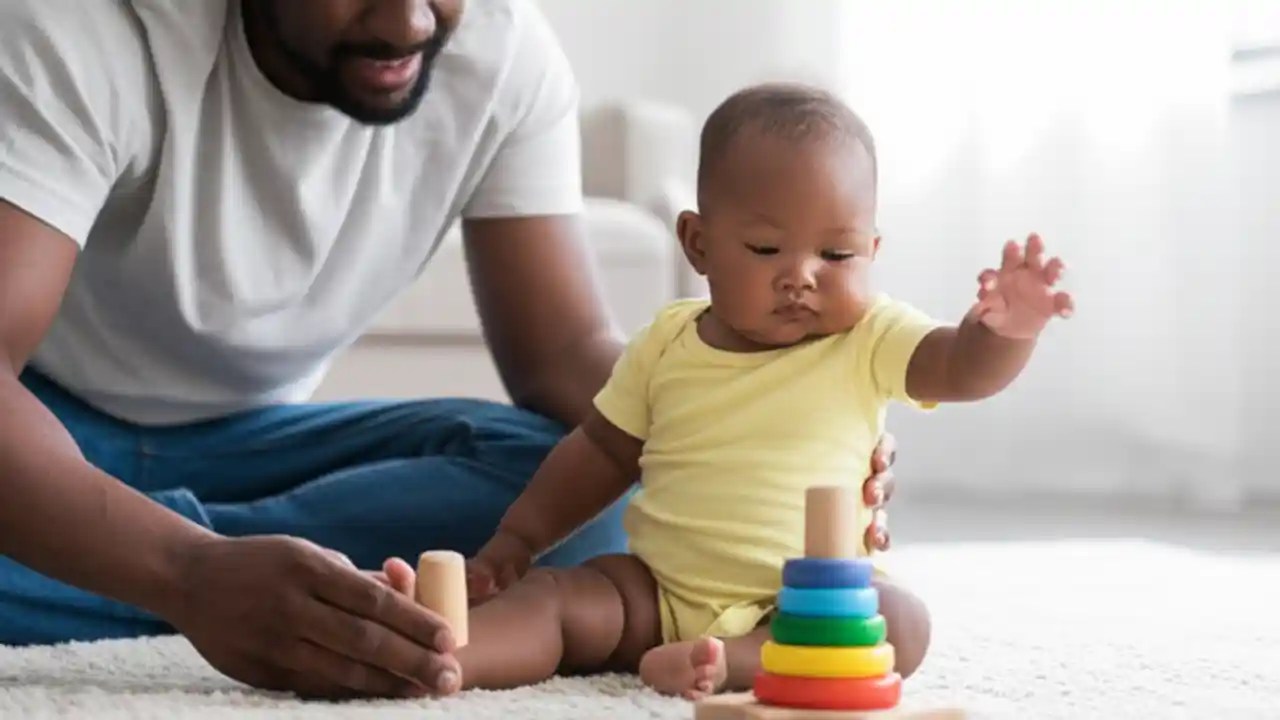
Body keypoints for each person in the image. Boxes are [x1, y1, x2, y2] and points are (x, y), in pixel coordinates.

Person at [0, 0, 899, 702]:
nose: (408, 23)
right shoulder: (83, 33)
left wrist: (764, 437)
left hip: (266, 439)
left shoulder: (503, 50)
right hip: (42, 418)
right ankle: (199, 576)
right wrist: (186, 573)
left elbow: (565, 356)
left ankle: (167, 567)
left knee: (588, 502)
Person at [428, 82, 1075, 698]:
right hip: (655, 594)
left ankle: (742, 659)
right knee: (554, 599)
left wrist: (1005, 331)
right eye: (766, 249)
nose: (801, 276)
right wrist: (517, 540)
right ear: (698, 243)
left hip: (809, 605)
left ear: (872, 250)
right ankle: (450, 657)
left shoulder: (869, 337)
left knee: (901, 622)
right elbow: (598, 451)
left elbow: (959, 367)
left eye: (838, 255)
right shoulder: (667, 342)